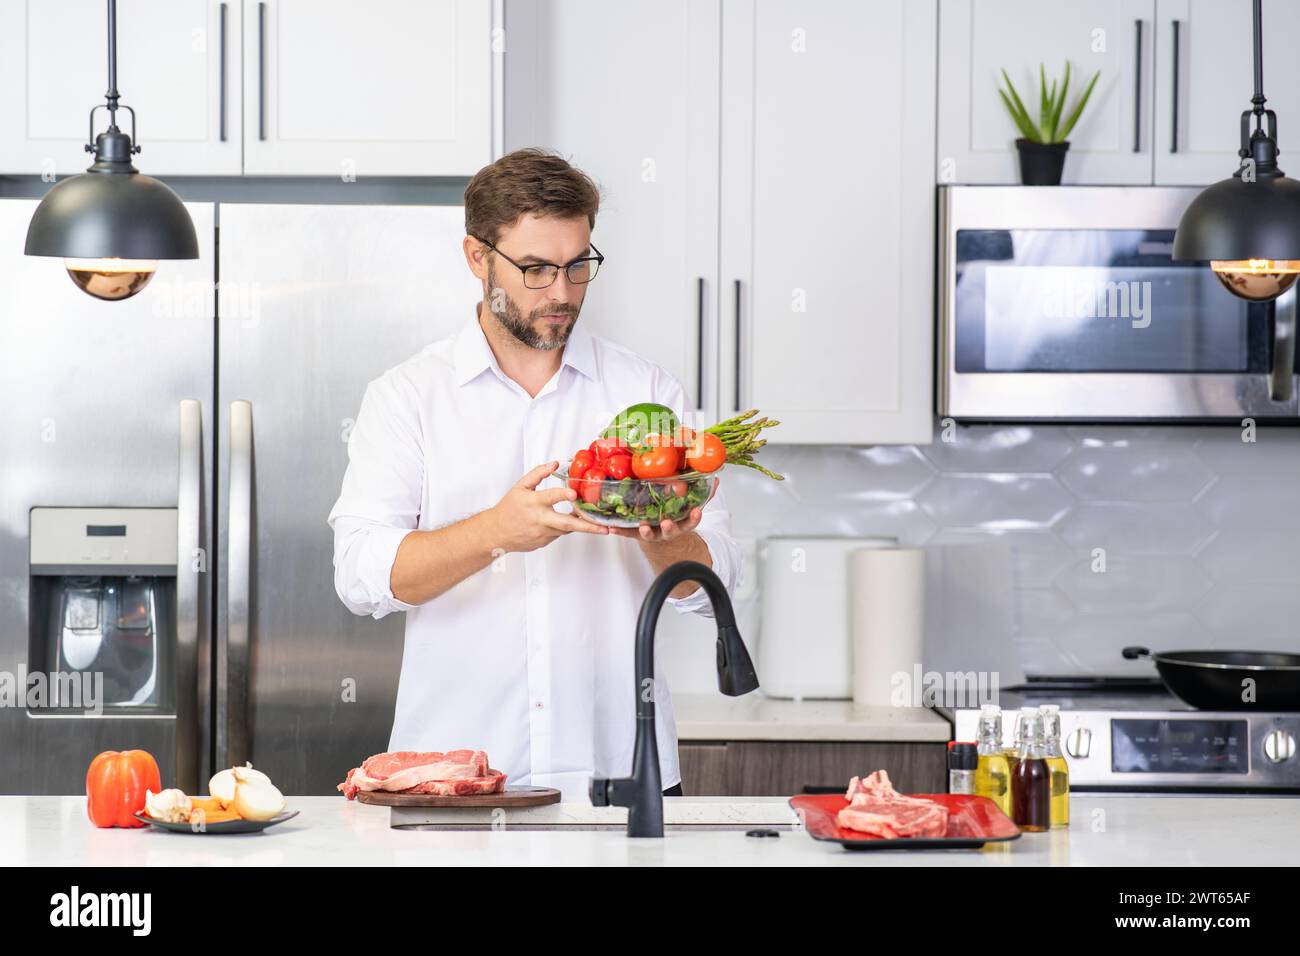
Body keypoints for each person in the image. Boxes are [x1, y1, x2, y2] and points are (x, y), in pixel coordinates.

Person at [327, 148, 740, 799]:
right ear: (476, 257)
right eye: (537, 268)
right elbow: (359, 576)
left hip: (622, 779)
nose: (561, 292)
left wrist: (666, 540)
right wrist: (496, 530)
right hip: (454, 789)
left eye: (579, 266)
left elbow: (715, 583)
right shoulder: (408, 396)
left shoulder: (645, 394)